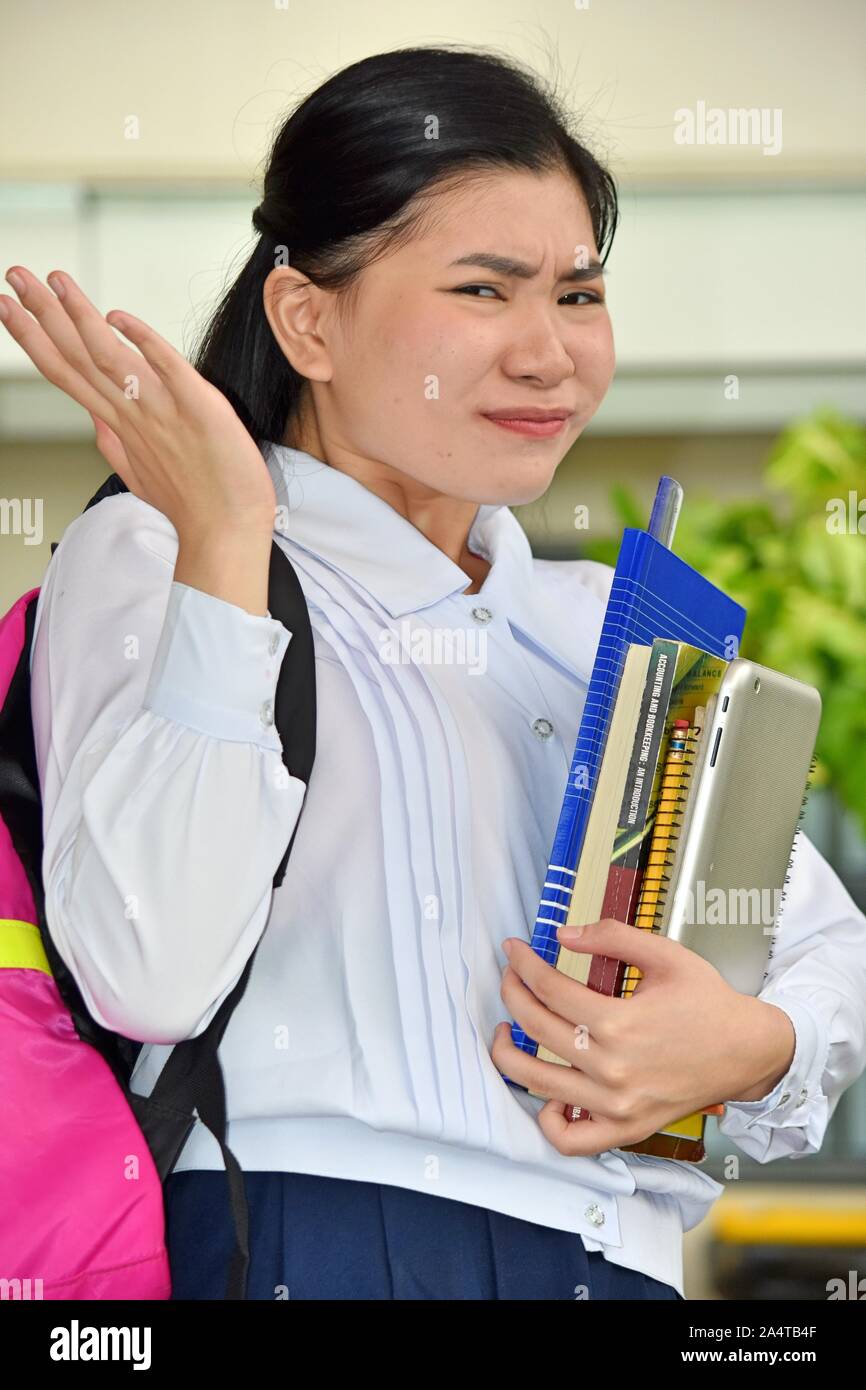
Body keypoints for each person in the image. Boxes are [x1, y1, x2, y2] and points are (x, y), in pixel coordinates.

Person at [4, 44, 865, 1302]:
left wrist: (746, 1042)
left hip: (623, 1265)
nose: (547, 353)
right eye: (483, 290)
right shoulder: (164, 553)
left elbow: (819, 944)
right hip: (304, 1241)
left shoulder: (608, 627)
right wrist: (228, 540)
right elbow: (150, 972)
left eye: (577, 296)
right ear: (308, 319)